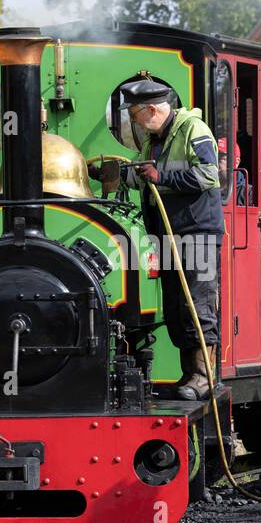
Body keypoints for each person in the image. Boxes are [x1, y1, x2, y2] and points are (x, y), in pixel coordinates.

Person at [89, 79, 222, 400]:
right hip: (165, 234)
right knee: (175, 308)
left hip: (196, 235)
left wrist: (162, 177)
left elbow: (209, 175)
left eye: (133, 114)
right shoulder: (153, 139)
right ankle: (189, 374)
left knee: (196, 306)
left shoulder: (194, 129)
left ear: (151, 109)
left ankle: (204, 377)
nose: (132, 120)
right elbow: (141, 175)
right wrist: (105, 174)